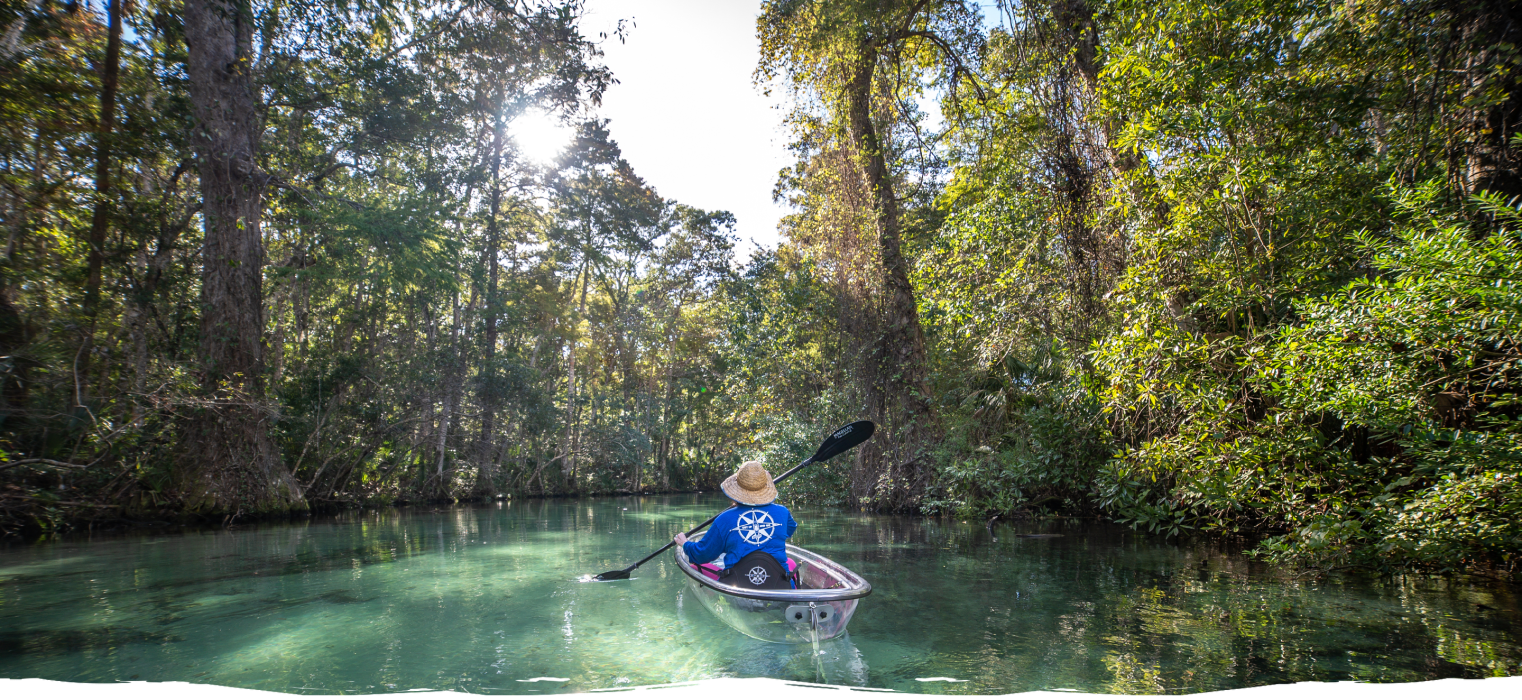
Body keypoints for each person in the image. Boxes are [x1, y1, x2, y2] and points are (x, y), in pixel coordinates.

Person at [674, 461, 797, 589]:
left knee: (695, 566)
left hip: (737, 586)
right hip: (779, 585)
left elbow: (702, 554)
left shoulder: (724, 519)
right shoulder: (783, 511)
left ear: (736, 491)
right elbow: (790, 530)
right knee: (790, 563)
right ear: (766, 488)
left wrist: (686, 544)